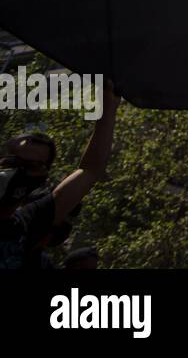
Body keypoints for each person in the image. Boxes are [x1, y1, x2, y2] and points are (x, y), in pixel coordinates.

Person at [0, 80, 120, 270]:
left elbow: (90, 170)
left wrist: (108, 107)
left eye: (29, 166)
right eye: (14, 162)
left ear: (39, 177)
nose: (15, 173)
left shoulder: (26, 226)